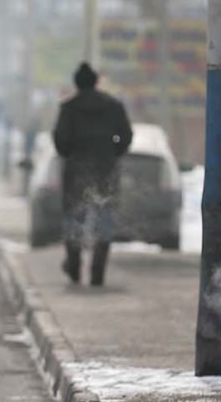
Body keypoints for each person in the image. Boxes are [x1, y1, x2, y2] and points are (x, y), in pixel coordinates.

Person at [52, 63, 133, 286]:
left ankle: (75, 267)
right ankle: (98, 272)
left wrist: (73, 153)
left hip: (76, 174)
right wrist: (111, 149)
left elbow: (61, 141)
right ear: (95, 81)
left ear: (76, 83)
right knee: (103, 222)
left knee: (74, 222)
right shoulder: (114, 106)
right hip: (105, 173)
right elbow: (124, 137)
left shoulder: (69, 108)